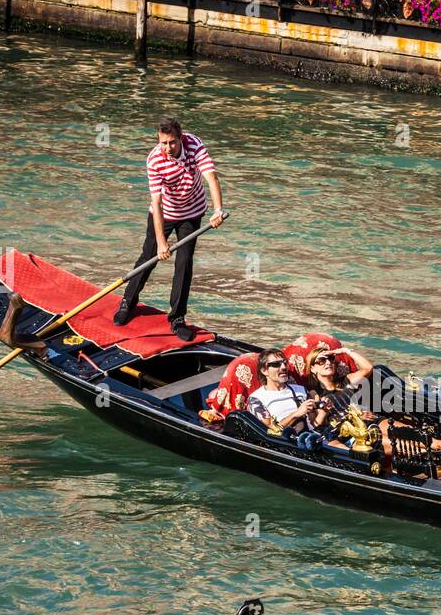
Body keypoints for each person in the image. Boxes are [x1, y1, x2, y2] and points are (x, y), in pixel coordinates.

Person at [113, 118, 225, 339]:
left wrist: (218, 209)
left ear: (180, 138)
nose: (167, 148)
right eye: (163, 143)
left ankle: (177, 318)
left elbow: (211, 177)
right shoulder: (154, 159)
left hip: (192, 213)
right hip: (164, 214)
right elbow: (157, 203)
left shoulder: (194, 145)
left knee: (184, 263)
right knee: (148, 257)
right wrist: (162, 243)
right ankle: (128, 302)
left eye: (172, 143)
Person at [246, 349, 314, 433]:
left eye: (285, 363)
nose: (283, 367)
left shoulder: (301, 390)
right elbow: (268, 432)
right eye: (276, 364)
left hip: (312, 437)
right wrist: (296, 414)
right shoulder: (257, 399)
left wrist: (323, 410)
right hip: (284, 443)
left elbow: (315, 423)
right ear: (264, 370)